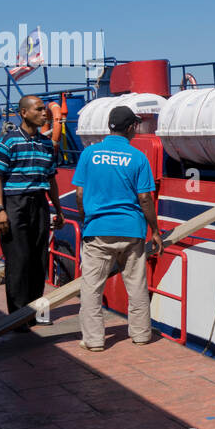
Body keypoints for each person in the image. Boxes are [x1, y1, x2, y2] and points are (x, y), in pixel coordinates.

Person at [72, 105, 163, 351]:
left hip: (98, 230)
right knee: (136, 285)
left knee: (91, 287)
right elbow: (145, 198)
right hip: (131, 229)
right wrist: (154, 230)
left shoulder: (89, 154)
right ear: (132, 127)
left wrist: (85, 218)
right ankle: (142, 334)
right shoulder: (138, 157)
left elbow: (79, 193)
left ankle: (93, 341)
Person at [0, 95, 65, 328]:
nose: (45, 114)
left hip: (39, 204)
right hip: (14, 204)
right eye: (39, 110)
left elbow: (50, 180)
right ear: (23, 113)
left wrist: (58, 210)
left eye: (45, 110)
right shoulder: (9, 141)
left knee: (39, 260)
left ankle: (38, 313)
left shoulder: (46, 145)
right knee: (18, 261)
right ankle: (19, 317)